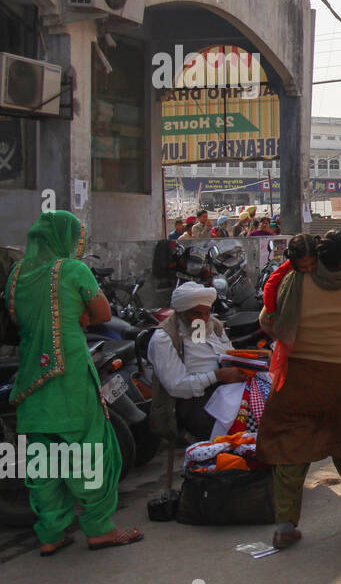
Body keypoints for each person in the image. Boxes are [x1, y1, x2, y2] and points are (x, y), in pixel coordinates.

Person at [4, 211, 143, 555]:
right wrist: (79, 315)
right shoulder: (72, 269)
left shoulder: (16, 274)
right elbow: (104, 315)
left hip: (31, 378)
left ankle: (51, 534)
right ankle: (99, 529)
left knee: (43, 457)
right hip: (70, 373)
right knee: (90, 450)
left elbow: (16, 319)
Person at [257, 229, 341, 549]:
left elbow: (267, 320)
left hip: (297, 378)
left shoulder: (294, 282)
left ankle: (285, 523)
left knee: (290, 446)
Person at [149, 281, 246, 442]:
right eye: (196, 314)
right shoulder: (163, 339)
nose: (203, 319)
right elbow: (177, 387)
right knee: (245, 422)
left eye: (207, 313)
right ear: (181, 312)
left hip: (225, 391)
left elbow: (220, 354)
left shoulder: (211, 325)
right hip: (193, 405)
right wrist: (217, 376)